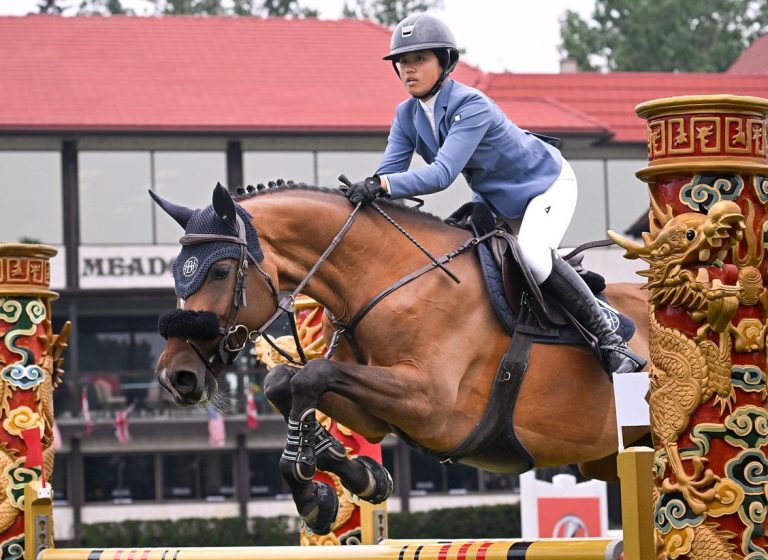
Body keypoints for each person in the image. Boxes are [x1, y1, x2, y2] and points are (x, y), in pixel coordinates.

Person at [343, 13, 645, 376]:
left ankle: (610, 339)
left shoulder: (472, 105)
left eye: (419, 59)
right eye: (403, 62)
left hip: (545, 185)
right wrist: (363, 193)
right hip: (495, 199)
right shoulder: (407, 115)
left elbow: (441, 174)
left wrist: (383, 186)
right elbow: (388, 173)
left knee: (533, 255)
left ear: (445, 62)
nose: (409, 69)